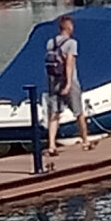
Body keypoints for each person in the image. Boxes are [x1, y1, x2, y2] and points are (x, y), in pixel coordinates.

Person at [45, 15, 93, 154]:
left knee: (54, 113)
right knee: (79, 113)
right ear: (69, 27)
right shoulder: (71, 43)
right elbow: (69, 64)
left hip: (53, 82)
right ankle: (85, 141)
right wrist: (68, 84)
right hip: (69, 82)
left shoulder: (50, 42)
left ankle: (52, 145)